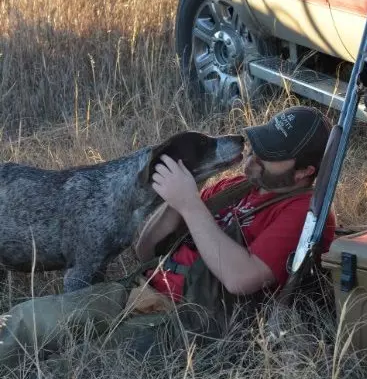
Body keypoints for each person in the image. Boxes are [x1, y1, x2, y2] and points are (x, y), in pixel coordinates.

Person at [135, 105, 337, 309]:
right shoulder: (232, 187)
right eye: (262, 141)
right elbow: (146, 252)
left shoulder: (304, 212)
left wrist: (189, 204)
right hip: (142, 291)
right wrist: (177, 200)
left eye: (272, 153)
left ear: (303, 172)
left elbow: (240, 279)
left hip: (186, 319)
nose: (256, 153)